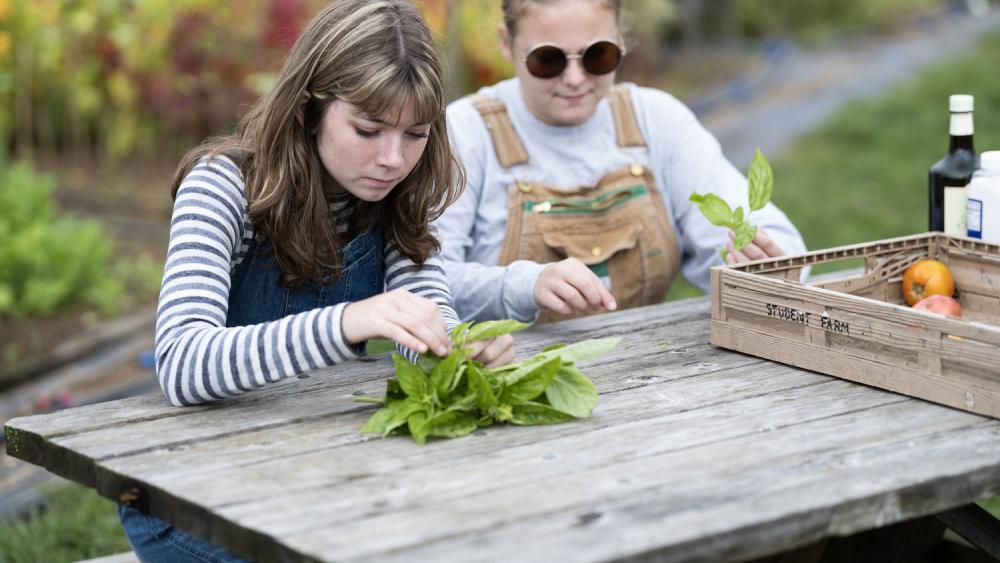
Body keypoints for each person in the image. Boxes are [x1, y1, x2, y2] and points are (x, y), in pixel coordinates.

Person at [120, 1, 514, 561]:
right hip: (195, 500)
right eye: (368, 129)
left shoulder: (398, 198)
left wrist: (459, 351)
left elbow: (426, 311)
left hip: (317, 476)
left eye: (416, 135)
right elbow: (182, 365)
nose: (392, 158)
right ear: (309, 110)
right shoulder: (224, 188)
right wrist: (346, 322)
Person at [436, 0, 807, 324]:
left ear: (622, 41)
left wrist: (764, 260)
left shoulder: (655, 121)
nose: (575, 79)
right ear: (506, 43)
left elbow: (766, 232)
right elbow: (426, 281)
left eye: (598, 55)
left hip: (648, 370)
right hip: (506, 380)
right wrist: (522, 284)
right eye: (548, 60)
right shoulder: (467, 133)